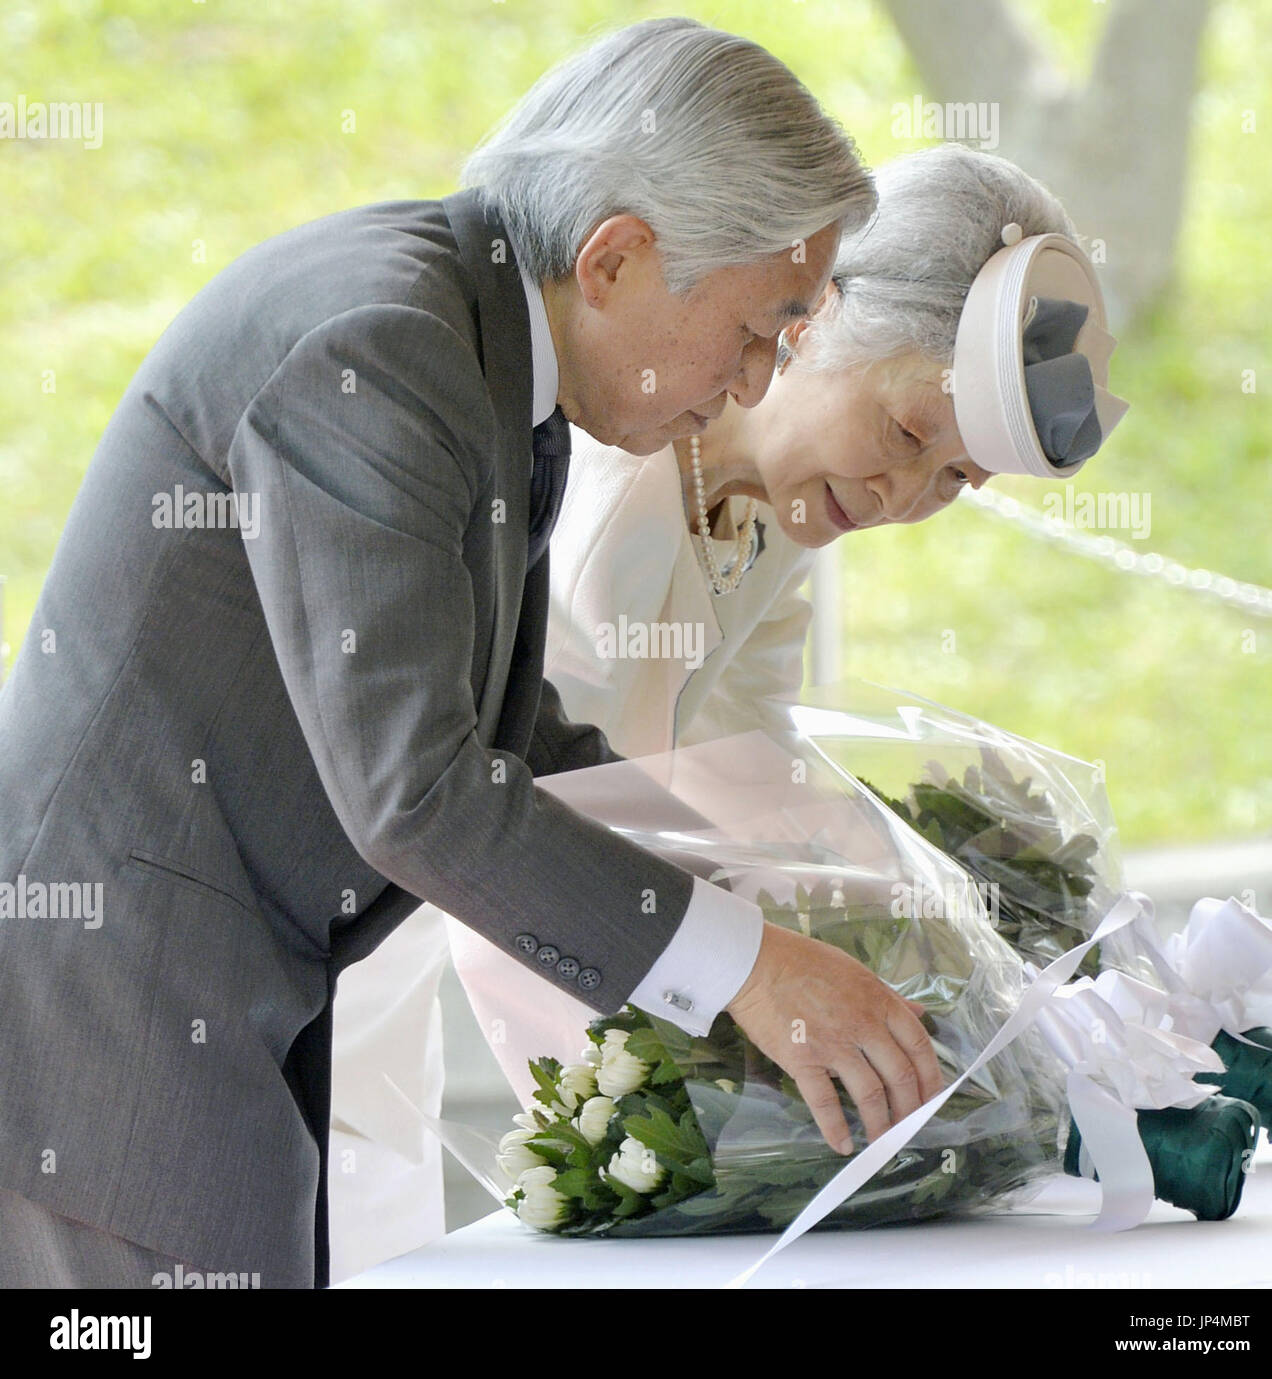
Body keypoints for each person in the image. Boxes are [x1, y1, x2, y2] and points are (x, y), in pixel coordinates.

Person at [0, 18, 907, 1290]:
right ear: (617, 257)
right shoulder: (383, 344)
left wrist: (767, 894)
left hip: (173, 998)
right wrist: (746, 963)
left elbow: (503, 728)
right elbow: (420, 788)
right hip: (106, 1016)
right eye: (761, 328)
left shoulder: (470, 340)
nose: (755, 385)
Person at [327, 143, 1129, 1266]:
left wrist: (941, 958)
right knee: (344, 1199)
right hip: (390, 902)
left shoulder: (782, 513)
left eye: (951, 480)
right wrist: (673, 1123)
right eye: (904, 435)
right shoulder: (606, 509)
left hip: (562, 907)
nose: (903, 498)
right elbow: (513, 839)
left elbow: (757, 775)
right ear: (815, 317)